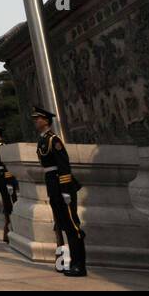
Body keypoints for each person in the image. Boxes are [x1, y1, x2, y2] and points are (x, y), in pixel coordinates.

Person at [32, 106, 87, 277]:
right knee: (60, 225)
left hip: (62, 185)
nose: (36, 121)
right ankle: (63, 261)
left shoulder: (54, 140)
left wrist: (65, 190)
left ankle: (79, 265)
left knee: (72, 226)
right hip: (52, 185)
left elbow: (64, 165)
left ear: (46, 121)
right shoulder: (42, 140)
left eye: (38, 119)